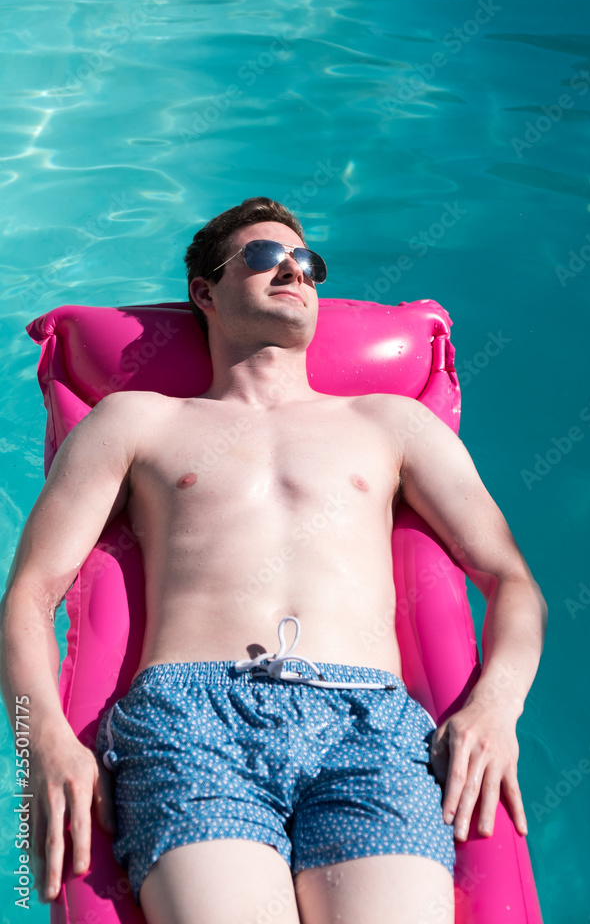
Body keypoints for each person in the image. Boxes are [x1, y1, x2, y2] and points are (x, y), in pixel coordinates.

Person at [0, 196, 548, 924]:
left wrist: (496, 706)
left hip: (370, 726)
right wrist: (43, 744)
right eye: (264, 257)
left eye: (307, 262)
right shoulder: (138, 421)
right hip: (191, 719)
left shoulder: (391, 424)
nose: (293, 269)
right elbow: (32, 592)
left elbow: (511, 581)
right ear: (205, 292)